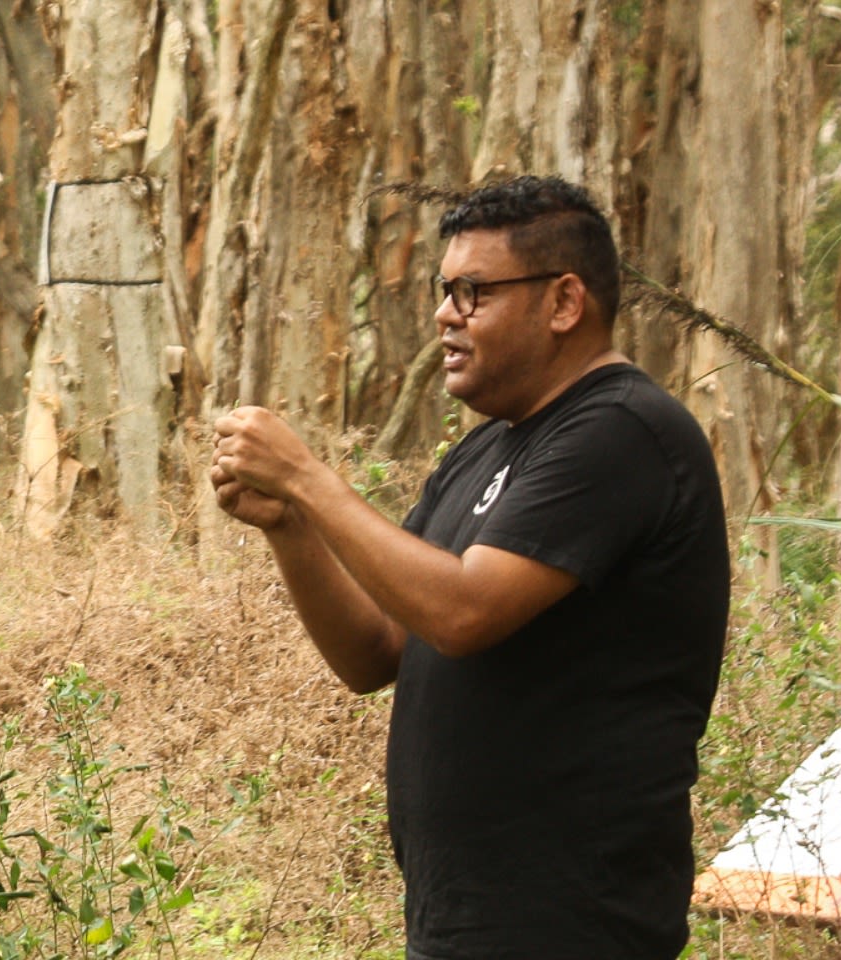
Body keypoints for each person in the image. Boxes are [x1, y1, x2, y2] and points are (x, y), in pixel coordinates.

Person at [209, 176, 728, 958]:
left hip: (574, 924)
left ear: (563, 302)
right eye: (444, 291)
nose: (447, 315)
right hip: (467, 920)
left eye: (474, 291)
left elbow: (463, 613)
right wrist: (292, 526)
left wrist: (310, 477)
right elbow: (374, 652)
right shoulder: (489, 447)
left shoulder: (620, 431)